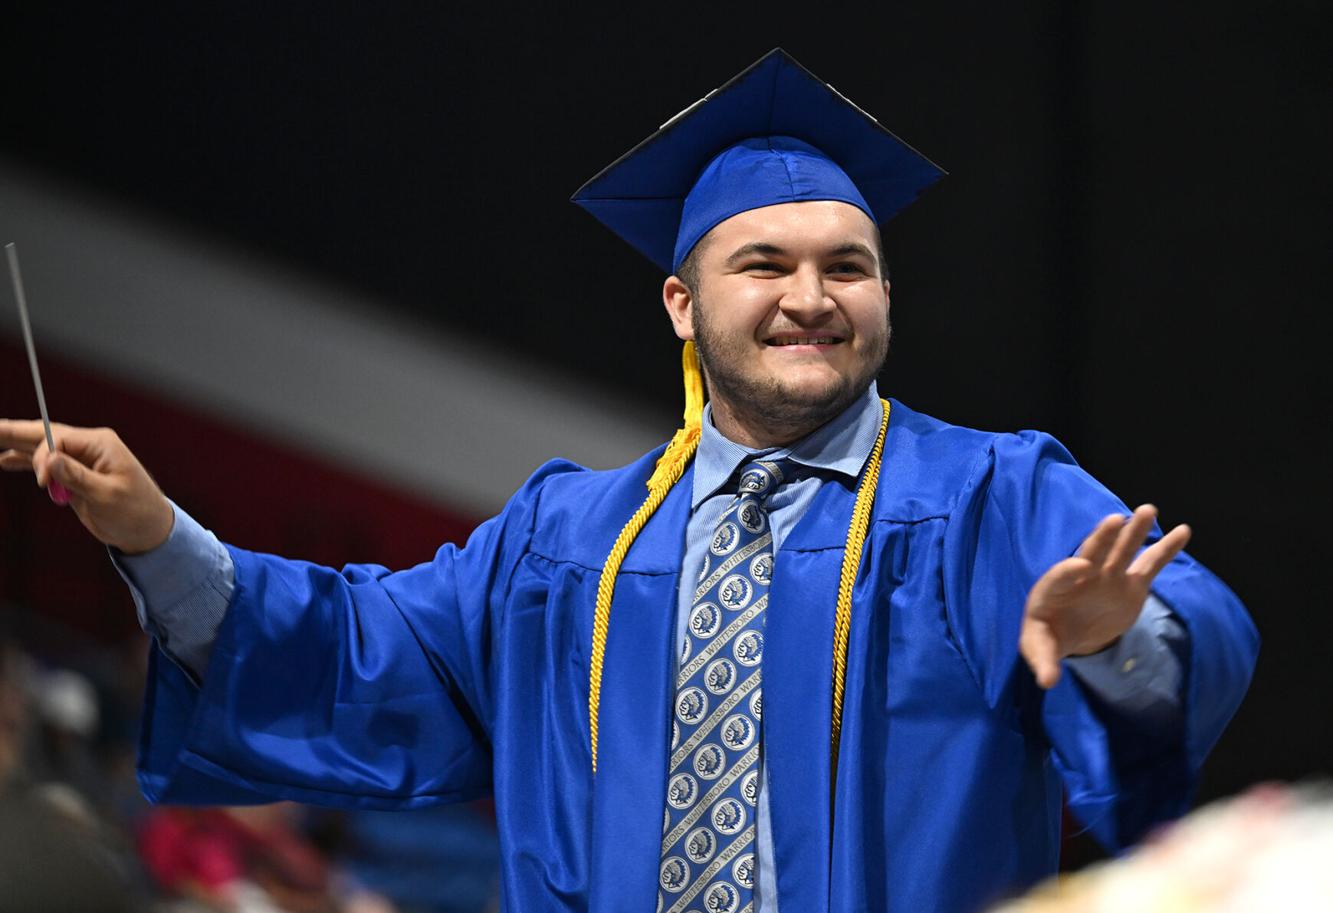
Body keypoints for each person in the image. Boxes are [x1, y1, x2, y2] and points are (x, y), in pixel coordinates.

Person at [0, 49, 1258, 913]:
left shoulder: (992, 498)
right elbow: (361, 653)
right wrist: (163, 538)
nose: (810, 298)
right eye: (763, 262)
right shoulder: (568, 539)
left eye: (849, 266)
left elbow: (1175, 623)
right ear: (681, 302)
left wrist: (1112, 645)